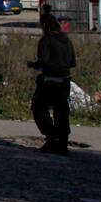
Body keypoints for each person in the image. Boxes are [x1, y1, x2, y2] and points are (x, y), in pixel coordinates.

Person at [29, 13, 77, 155]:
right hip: (65, 80)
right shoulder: (67, 40)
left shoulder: (46, 40)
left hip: (49, 81)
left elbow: (43, 62)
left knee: (38, 108)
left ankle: (51, 137)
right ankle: (62, 143)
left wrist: (33, 65)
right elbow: (72, 62)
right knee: (61, 111)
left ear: (44, 26)